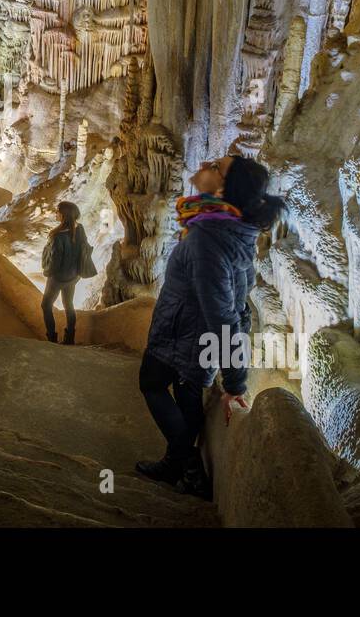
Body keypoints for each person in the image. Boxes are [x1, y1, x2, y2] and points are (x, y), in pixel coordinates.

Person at [135, 154, 285, 498]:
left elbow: (224, 315)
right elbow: (240, 299)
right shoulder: (234, 229)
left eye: (214, 166)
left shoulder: (209, 236)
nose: (204, 165)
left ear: (223, 187)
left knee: (151, 384)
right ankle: (175, 466)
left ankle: (188, 466)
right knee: (188, 396)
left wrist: (235, 381)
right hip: (193, 338)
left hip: (182, 335)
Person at [40, 200, 90, 345]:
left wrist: (46, 272)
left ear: (63, 215)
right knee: (68, 304)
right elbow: (84, 250)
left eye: (57, 211)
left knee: (46, 305)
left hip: (58, 278)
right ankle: (69, 339)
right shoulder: (79, 228)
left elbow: (54, 263)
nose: (56, 213)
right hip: (74, 276)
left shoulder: (57, 236)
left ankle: (52, 339)